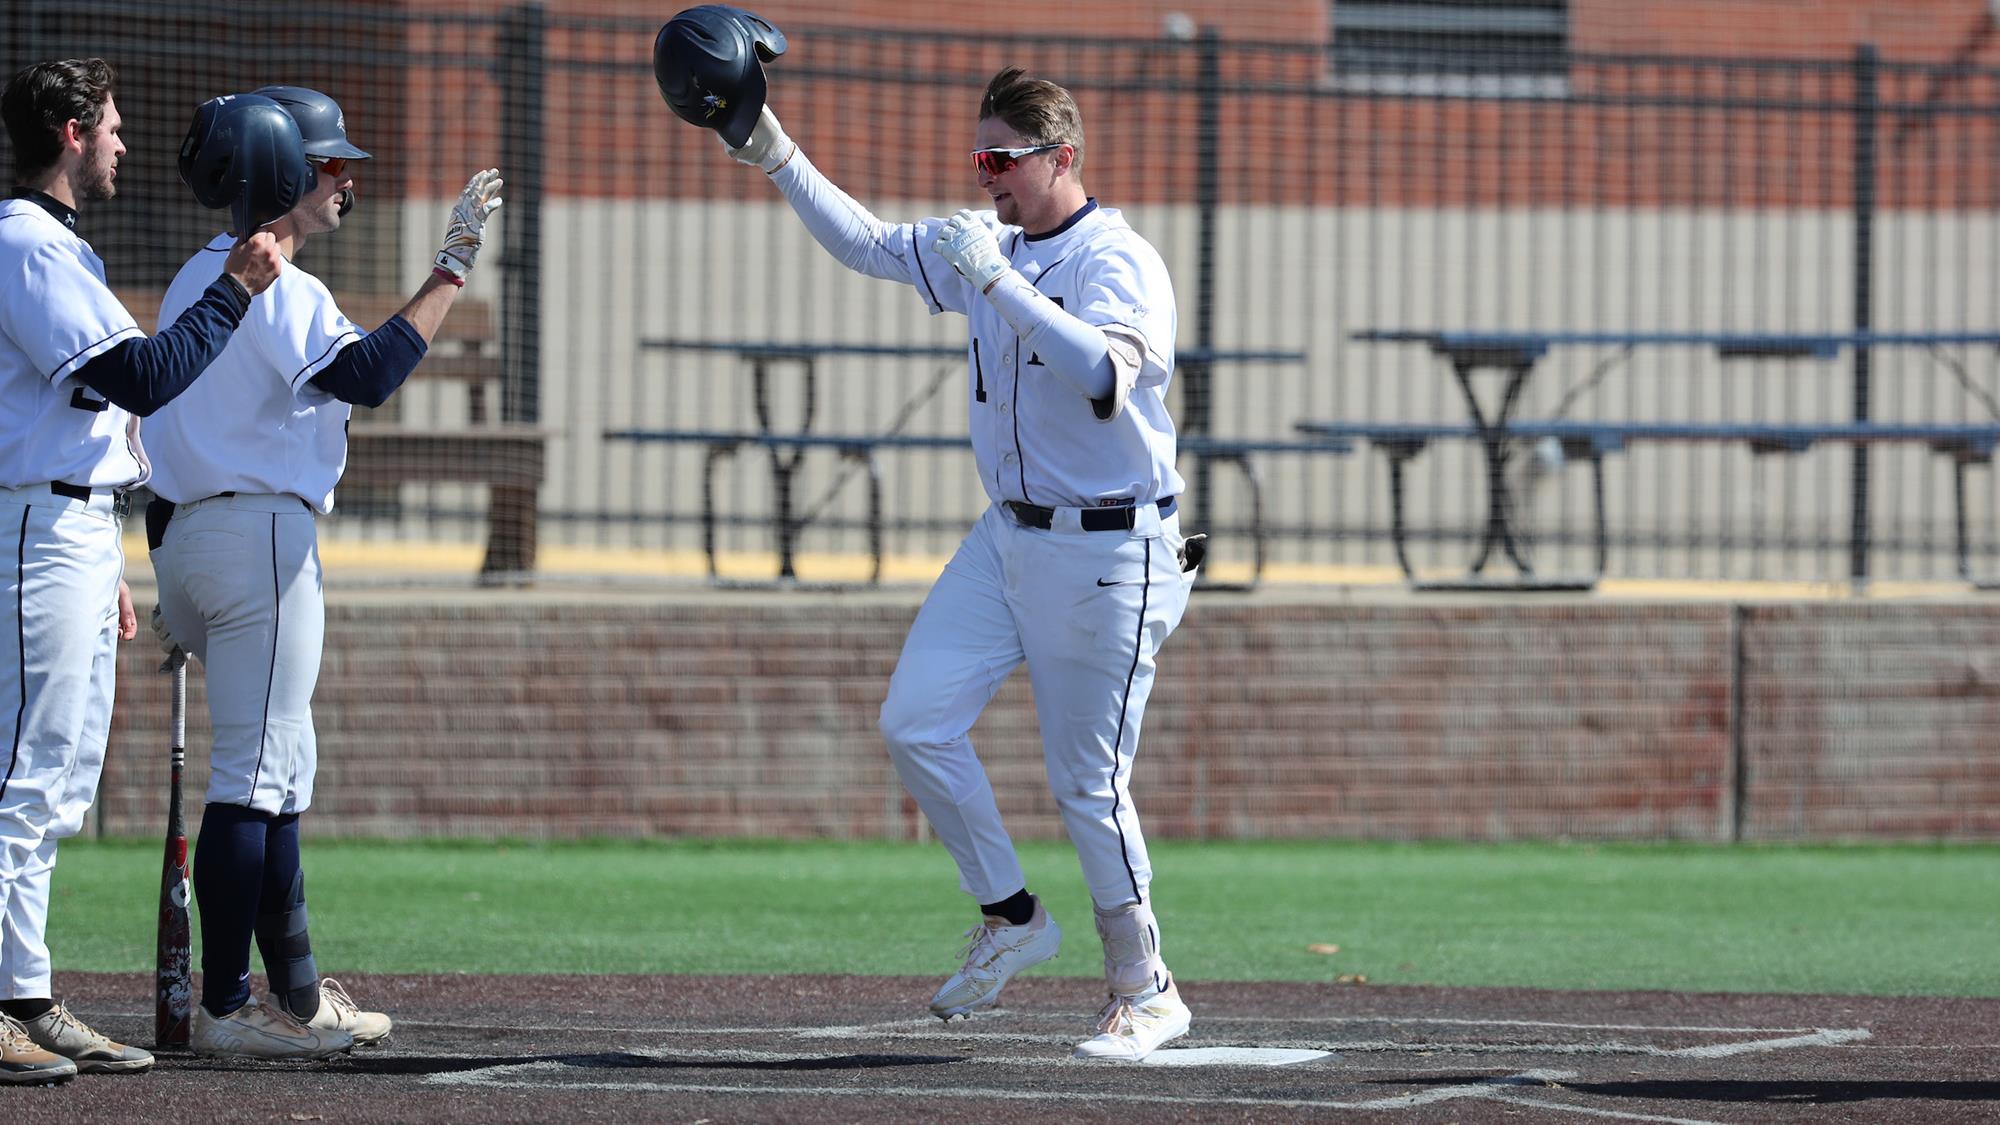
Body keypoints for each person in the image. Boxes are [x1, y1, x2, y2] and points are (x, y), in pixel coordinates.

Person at [719, 67, 1200, 1062]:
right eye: (978, 158)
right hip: (1007, 536)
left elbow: (1105, 375)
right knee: (915, 722)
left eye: (1003, 160)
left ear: (1062, 157)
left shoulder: (1114, 257)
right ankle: (1013, 916)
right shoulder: (997, 246)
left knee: (1086, 781)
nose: (987, 179)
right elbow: (863, 243)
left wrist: (997, 281)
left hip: (1112, 545)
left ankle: (1143, 986)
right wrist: (769, 145)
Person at [144, 84, 502, 1061]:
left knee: (279, 765)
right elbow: (374, 375)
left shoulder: (200, 275)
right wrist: (453, 264)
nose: (346, 177)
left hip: (196, 542)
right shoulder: (282, 290)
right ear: (280, 170)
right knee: (254, 774)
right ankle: (227, 1007)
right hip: (256, 539)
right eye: (329, 162)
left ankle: (295, 997)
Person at [0, 57, 284, 1084]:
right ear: (72, 133)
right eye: (111, 126)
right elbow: (146, 378)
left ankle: (22, 996)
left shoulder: (57, 248)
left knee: (61, 779)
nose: (121, 141)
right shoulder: (24, 245)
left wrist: (111, 556)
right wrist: (235, 290)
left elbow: (101, 415)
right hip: (36, 526)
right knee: (22, 776)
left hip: (75, 527)